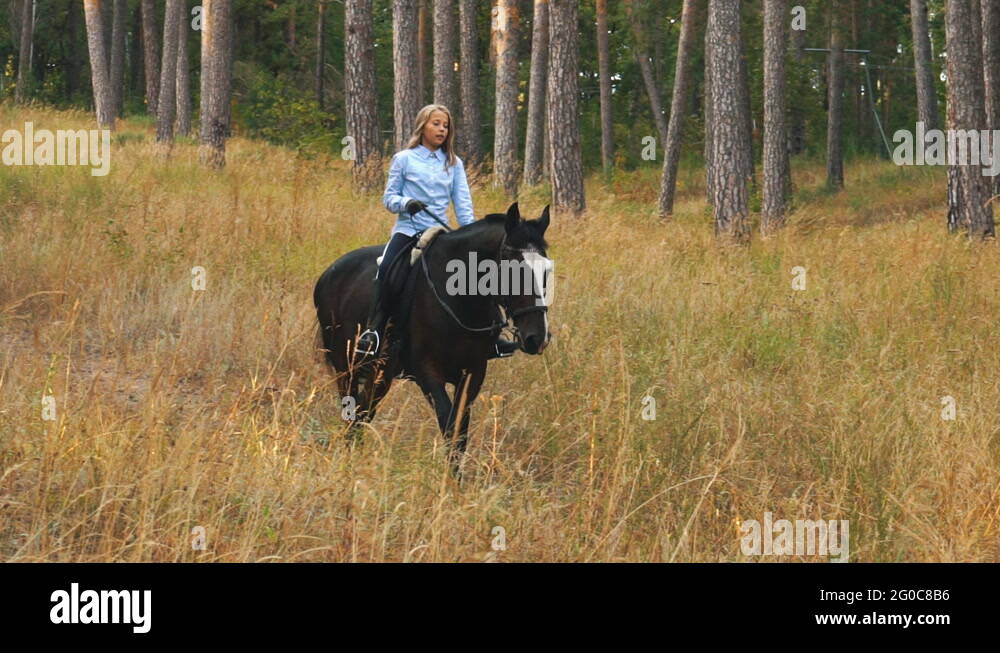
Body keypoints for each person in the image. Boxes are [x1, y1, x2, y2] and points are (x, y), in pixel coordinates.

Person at [355, 104, 518, 360]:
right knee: (387, 269)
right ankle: (373, 332)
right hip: (408, 230)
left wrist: (471, 236)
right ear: (423, 126)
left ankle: (494, 338)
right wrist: (405, 203)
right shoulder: (404, 159)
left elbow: (463, 207)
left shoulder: (453, 164)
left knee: (478, 273)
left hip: (440, 232)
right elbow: (389, 198)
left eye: (445, 125)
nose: (442, 129)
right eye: (436, 124)